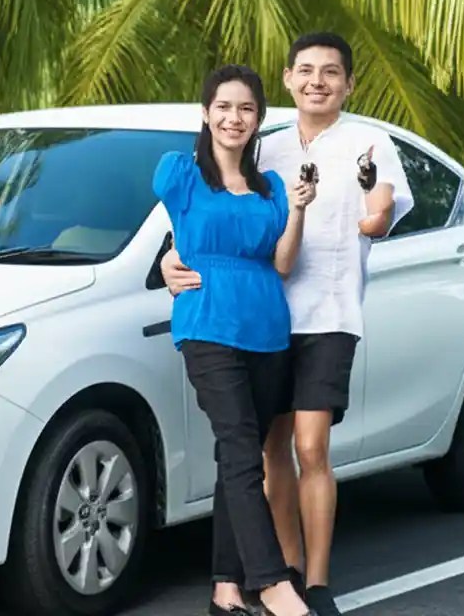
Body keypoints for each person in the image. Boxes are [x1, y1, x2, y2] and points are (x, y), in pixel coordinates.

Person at [161, 33, 414, 616]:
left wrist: (372, 220)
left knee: (310, 445)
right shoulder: (265, 151)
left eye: (331, 72)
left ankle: (318, 584)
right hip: (264, 321)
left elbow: (380, 207)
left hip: (328, 314)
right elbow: (213, 216)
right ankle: (287, 571)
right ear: (287, 79)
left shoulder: (368, 142)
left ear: (349, 84)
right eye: (306, 70)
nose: (317, 81)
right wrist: (170, 259)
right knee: (268, 448)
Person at [153, 64, 319, 616]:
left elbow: (283, 260)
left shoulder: (271, 189)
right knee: (244, 449)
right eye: (223, 106)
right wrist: (167, 260)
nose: (234, 117)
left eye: (246, 109)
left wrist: (296, 212)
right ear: (206, 112)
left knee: (237, 454)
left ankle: (226, 588)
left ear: (258, 120)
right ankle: (271, 583)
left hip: (267, 329)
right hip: (206, 325)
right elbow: (172, 237)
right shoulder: (179, 173)